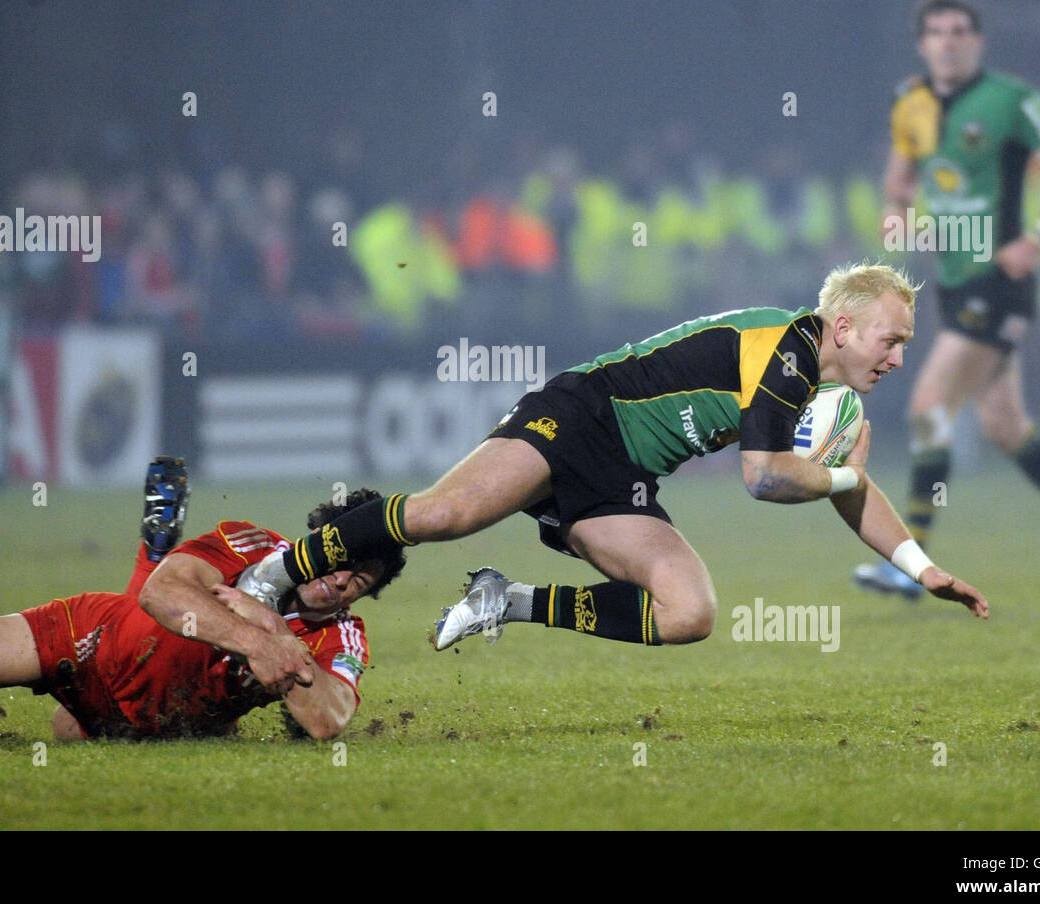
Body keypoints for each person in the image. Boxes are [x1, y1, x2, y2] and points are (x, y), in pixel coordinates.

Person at [233, 262, 988, 656]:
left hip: (623, 476)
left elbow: (852, 495)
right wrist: (846, 472)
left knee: (690, 612)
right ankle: (274, 573)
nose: (898, 356)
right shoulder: (788, 348)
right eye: (892, 340)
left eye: (907, 346)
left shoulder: (837, 403)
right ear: (845, 325)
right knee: (443, 514)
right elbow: (764, 478)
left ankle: (508, 600)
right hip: (581, 415)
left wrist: (925, 570)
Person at [854, 0, 1040, 603]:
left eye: (960, 31)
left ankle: (910, 563)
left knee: (927, 406)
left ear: (977, 41)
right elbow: (899, 182)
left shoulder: (1011, 100)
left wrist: (1037, 237)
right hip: (952, 283)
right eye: (936, 32)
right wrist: (900, 215)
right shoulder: (913, 102)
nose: (949, 41)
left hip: (1001, 282)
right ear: (922, 44)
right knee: (1004, 424)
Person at [0, 457, 403, 740]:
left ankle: (155, 545)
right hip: (93, 638)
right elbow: (162, 595)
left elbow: (325, 719)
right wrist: (249, 637)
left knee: (71, 733)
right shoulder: (252, 543)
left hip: (153, 713)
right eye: (340, 560)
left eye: (360, 579)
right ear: (317, 540)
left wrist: (274, 633)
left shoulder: (342, 635)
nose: (340, 580)